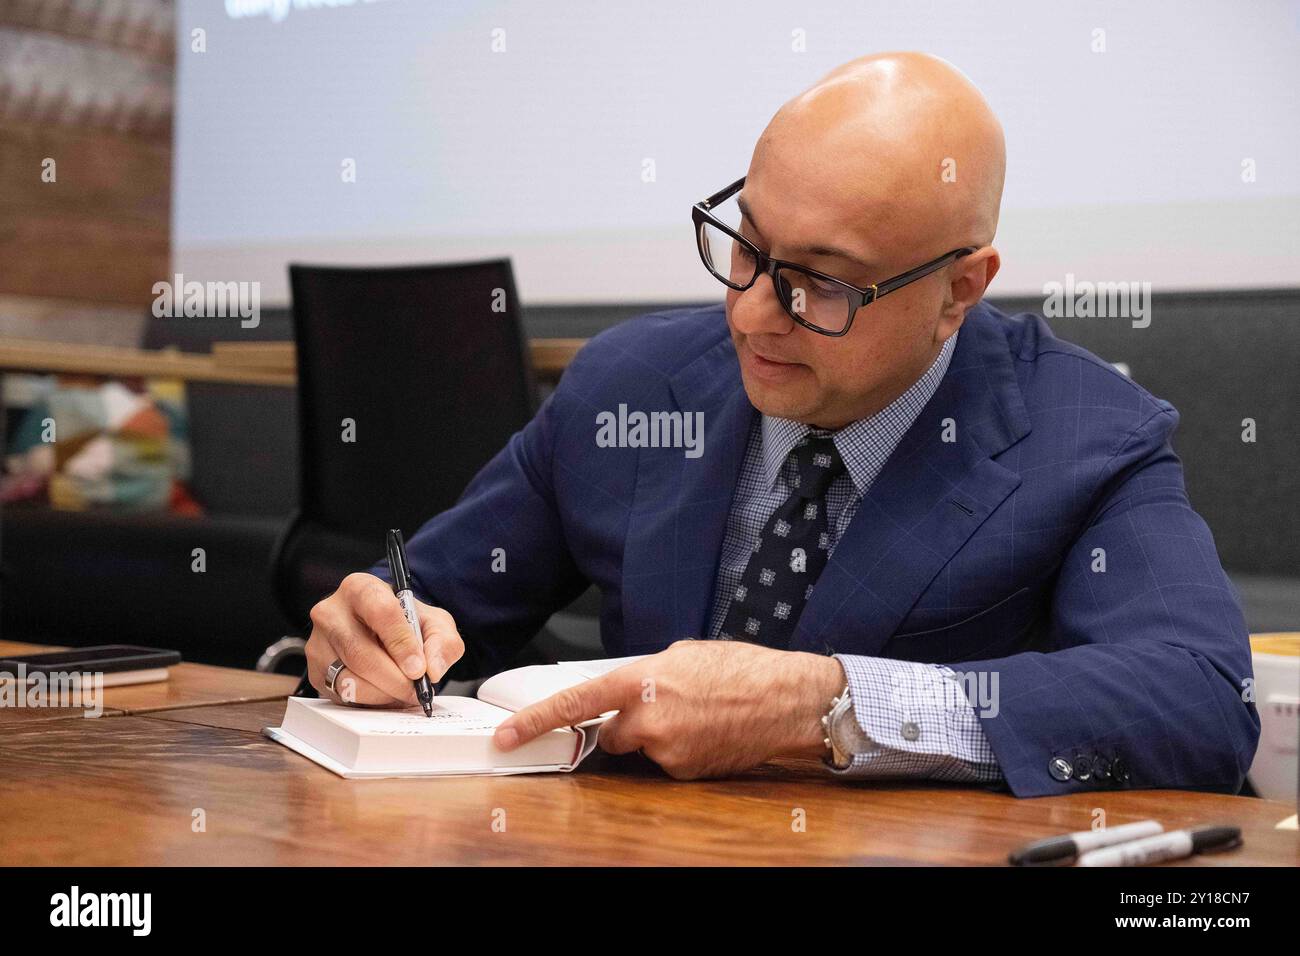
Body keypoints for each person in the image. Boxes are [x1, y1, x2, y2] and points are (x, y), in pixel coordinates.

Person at [303, 52, 1258, 796]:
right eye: (747, 246)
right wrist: (374, 636)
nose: (753, 314)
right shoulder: (631, 387)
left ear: (960, 288)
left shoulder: (1087, 435)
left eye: (821, 281)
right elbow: (435, 600)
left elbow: (1201, 701)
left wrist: (832, 704)